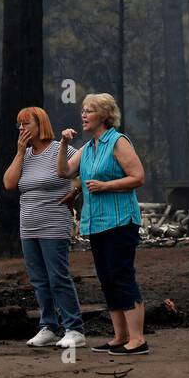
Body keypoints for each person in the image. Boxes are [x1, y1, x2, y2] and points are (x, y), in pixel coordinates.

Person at [58, 93, 149, 355]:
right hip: (96, 224)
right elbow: (63, 172)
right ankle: (119, 336)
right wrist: (64, 143)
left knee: (122, 276)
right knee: (107, 279)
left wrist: (106, 185)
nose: (83, 115)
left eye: (90, 111)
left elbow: (138, 177)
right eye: (83, 111)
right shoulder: (88, 147)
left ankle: (138, 339)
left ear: (105, 115)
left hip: (121, 221)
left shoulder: (118, 142)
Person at [3, 106, 85, 349]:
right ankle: (48, 326)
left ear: (41, 125)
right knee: (39, 279)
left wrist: (76, 191)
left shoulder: (61, 149)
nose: (22, 129)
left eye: (26, 123)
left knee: (58, 276)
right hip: (28, 225)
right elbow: (9, 183)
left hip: (54, 222)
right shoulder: (25, 156)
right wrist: (19, 152)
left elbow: (82, 169)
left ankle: (74, 328)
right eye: (19, 124)